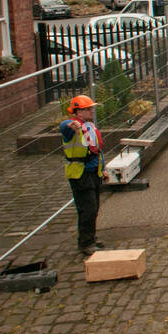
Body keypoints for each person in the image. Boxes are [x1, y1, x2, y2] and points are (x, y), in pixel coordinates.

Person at [61, 95, 105, 255]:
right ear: (78, 112)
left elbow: (96, 150)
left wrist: (103, 168)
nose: (92, 111)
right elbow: (64, 127)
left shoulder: (89, 126)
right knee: (88, 209)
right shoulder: (73, 128)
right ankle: (86, 243)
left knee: (94, 208)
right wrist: (70, 124)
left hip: (93, 172)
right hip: (79, 175)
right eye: (88, 109)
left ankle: (90, 238)